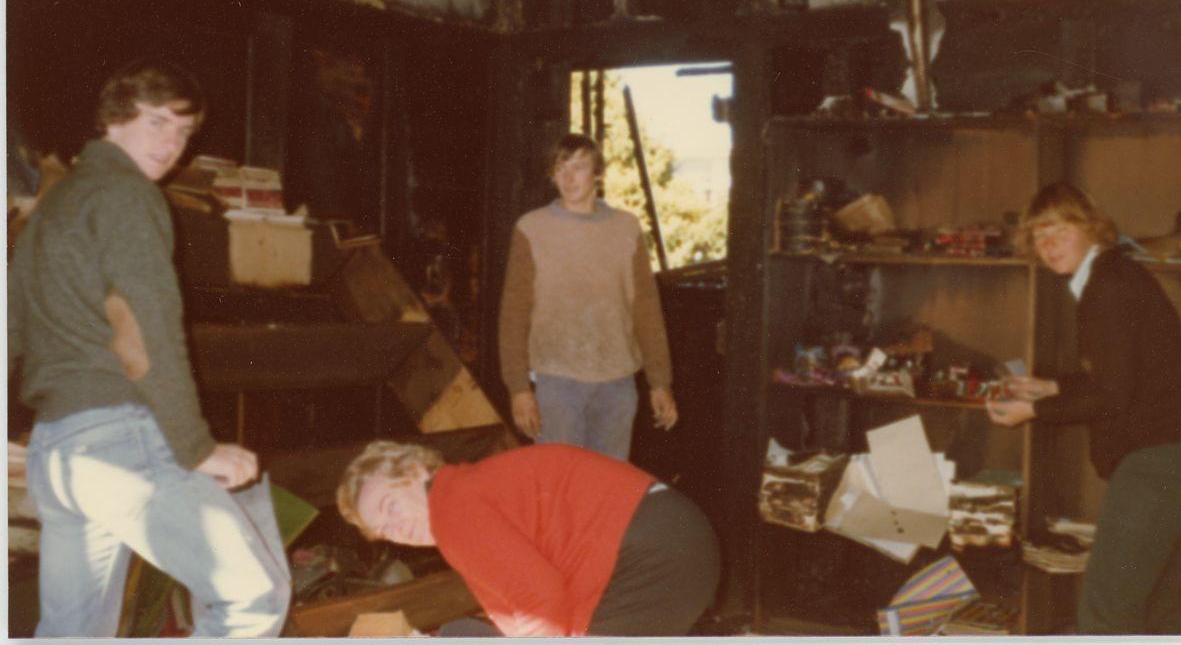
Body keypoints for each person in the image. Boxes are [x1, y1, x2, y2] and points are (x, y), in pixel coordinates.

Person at [8, 59, 291, 637]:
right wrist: (195, 447)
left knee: (72, 631)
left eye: (185, 133)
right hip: (120, 443)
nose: (173, 145)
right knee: (251, 598)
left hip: (57, 455)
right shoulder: (128, 195)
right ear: (115, 118)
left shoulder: (52, 208)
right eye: (159, 122)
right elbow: (144, 330)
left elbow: (10, 326)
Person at [986, 182, 1181, 634]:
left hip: (1156, 462)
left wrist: (1032, 411)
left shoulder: (1107, 287)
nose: (1047, 245)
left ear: (1090, 228)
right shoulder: (1111, 276)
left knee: (1105, 610)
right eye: (1038, 236)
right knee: (1159, 611)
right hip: (1177, 455)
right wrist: (1050, 385)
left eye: (1058, 230)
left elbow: (1112, 397)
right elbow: (1118, 375)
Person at [336, 440, 720, 636]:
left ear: (418, 469)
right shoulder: (465, 493)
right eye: (383, 530)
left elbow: (540, 600)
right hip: (673, 540)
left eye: (390, 506)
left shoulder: (452, 510)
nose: (396, 528)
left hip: (651, 555)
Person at [498, 133, 677, 459]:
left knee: (608, 489)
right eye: (560, 168)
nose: (568, 178)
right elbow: (514, 314)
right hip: (557, 383)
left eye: (578, 167)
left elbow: (646, 308)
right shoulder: (531, 229)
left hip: (617, 384)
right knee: (560, 485)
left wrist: (660, 382)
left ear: (598, 172)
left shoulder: (626, 228)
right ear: (551, 175)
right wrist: (519, 389)